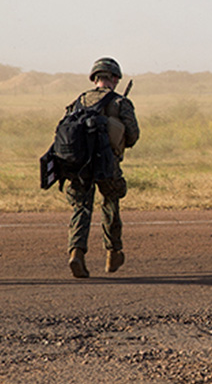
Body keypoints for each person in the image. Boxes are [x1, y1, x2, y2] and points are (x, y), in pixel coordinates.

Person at [63, 57, 140, 278]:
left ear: (94, 78)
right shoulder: (120, 102)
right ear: (114, 78)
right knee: (110, 204)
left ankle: (76, 253)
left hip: (80, 166)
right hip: (108, 164)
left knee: (81, 208)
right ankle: (113, 252)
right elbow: (133, 136)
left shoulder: (79, 101)